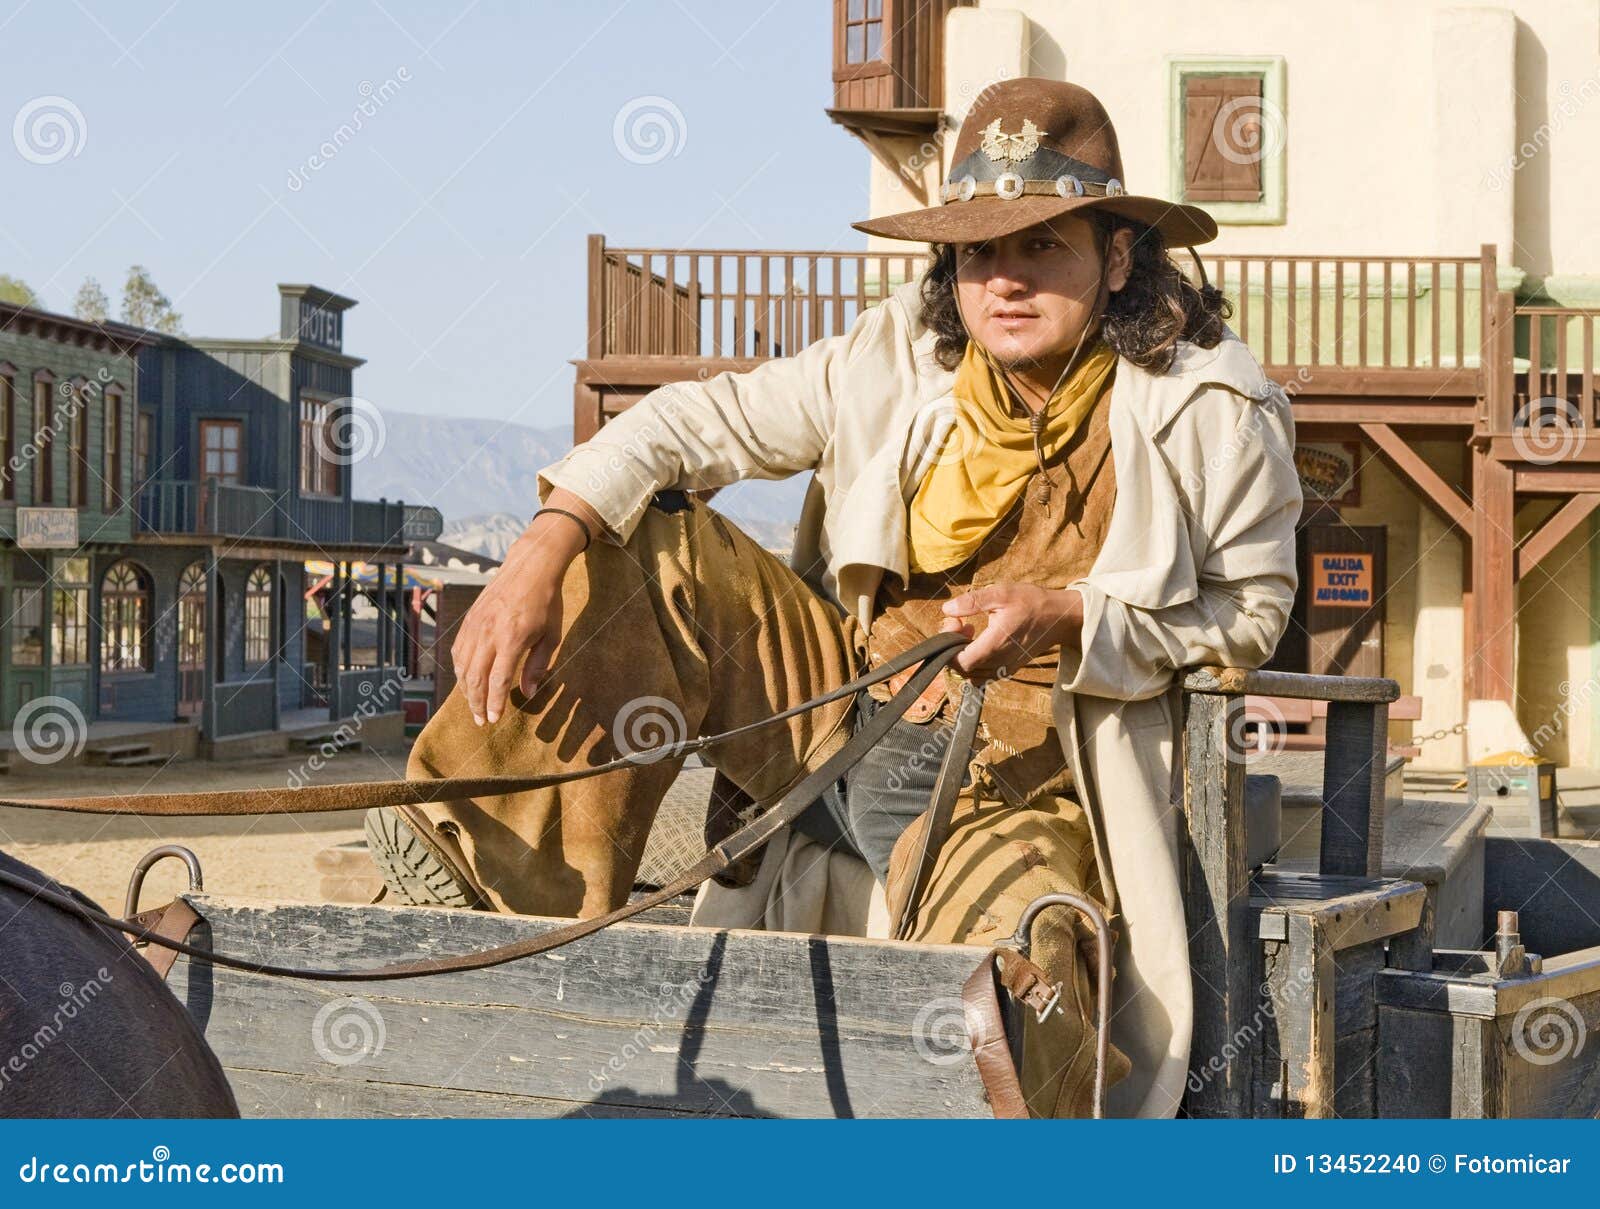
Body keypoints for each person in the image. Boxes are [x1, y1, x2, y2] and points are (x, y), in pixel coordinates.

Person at [367, 77, 1300, 1118]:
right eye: (979, 251)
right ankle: (488, 899)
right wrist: (543, 544)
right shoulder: (894, 357)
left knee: (1012, 972)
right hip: (838, 718)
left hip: (1026, 781)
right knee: (648, 533)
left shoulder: (1211, 404)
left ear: (1117, 256)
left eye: (1042, 246)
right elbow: (690, 424)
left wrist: (1076, 615)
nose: (1005, 279)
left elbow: (1254, 612)